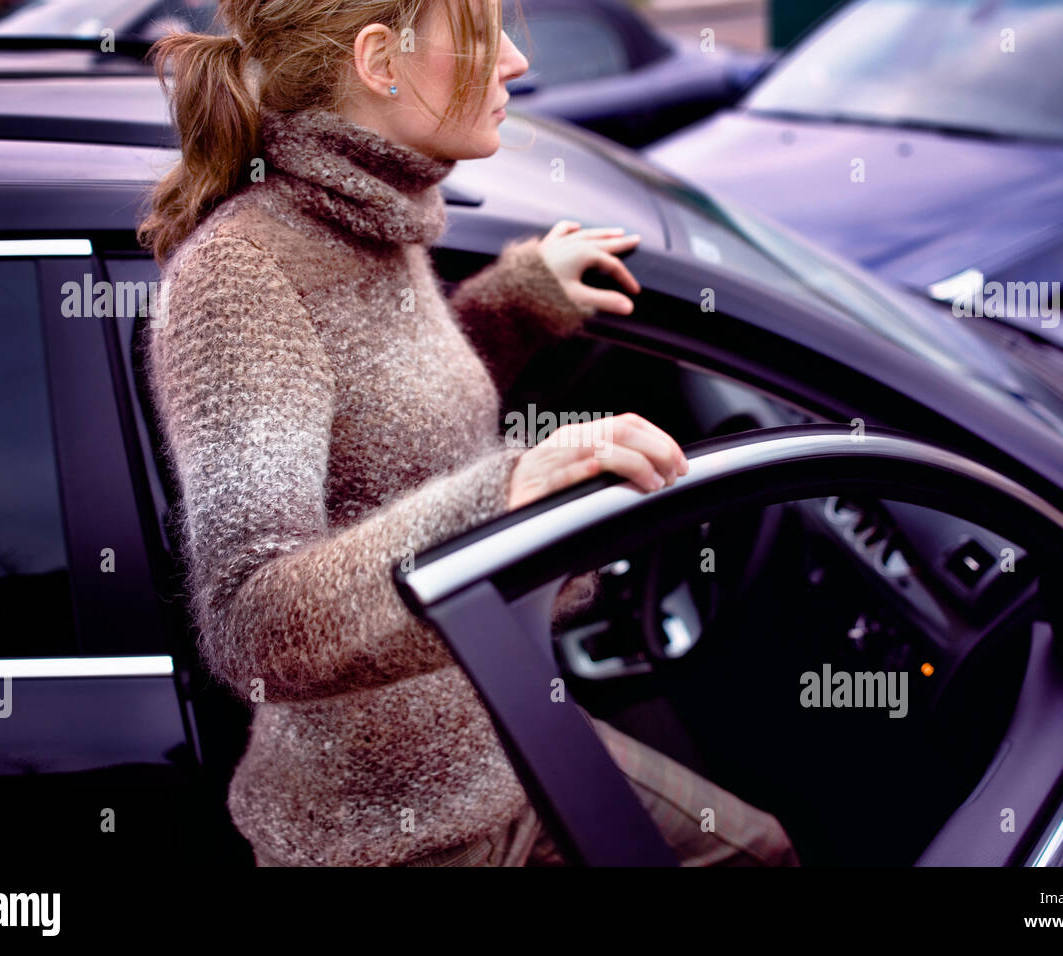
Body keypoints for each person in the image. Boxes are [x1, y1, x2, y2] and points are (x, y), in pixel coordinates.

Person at [139, 0, 799, 867]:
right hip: (393, 837)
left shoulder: (372, 219)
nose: (518, 64)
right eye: (487, 36)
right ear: (382, 61)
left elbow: (388, 440)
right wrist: (504, 498)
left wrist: (514, 304)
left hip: (513, 747)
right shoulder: (243, 280)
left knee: (759, 851)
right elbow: (253, 623)